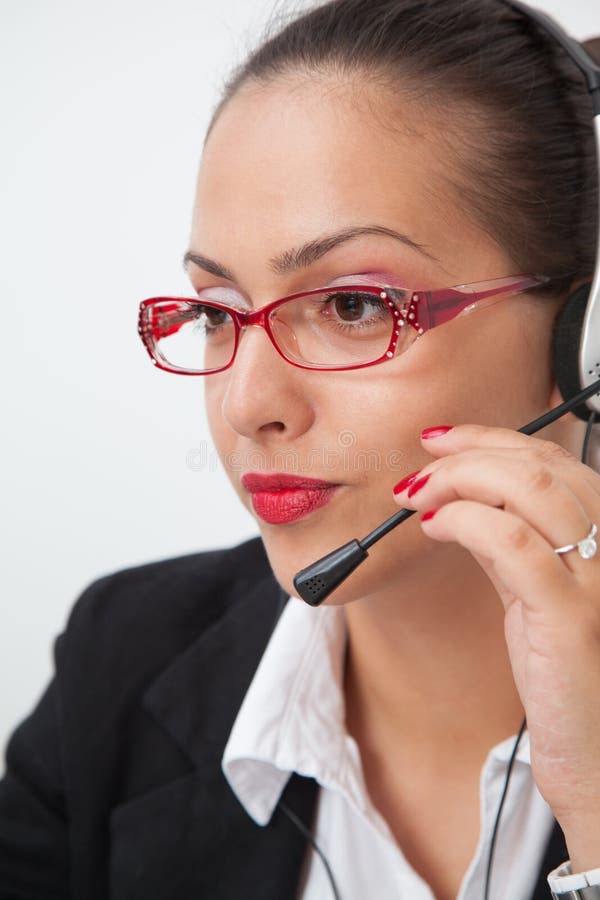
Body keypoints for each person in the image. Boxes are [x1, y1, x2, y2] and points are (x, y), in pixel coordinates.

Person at [1, 0, 599, 898]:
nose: (247, 404)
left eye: (352, 306)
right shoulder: (120, 657)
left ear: (582, 337)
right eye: (213, 312)